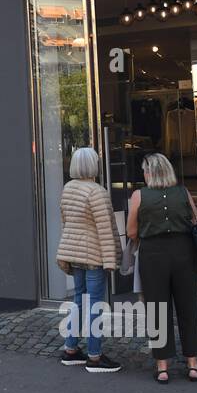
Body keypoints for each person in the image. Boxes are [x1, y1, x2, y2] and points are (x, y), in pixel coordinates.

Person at [127, 153, 197, 383]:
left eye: (144, 171)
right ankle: (192, 363)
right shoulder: (183, 192)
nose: (143, 174)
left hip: (153, 255)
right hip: (183, 252)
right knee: (188, 307)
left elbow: (131, 231)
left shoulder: (139, 196)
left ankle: (163, 366)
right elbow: (196, 221)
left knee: (158, 309)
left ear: (150, 173)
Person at [54, 147, 122, 373]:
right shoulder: (97, 192)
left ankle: (71, 349)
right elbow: (106, 229)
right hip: (93, 255)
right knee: (95, 304)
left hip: (73, 253)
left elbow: (66, 222)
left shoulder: (68, 188)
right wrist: (113, 259)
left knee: (78, 300)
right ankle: (94, 355)